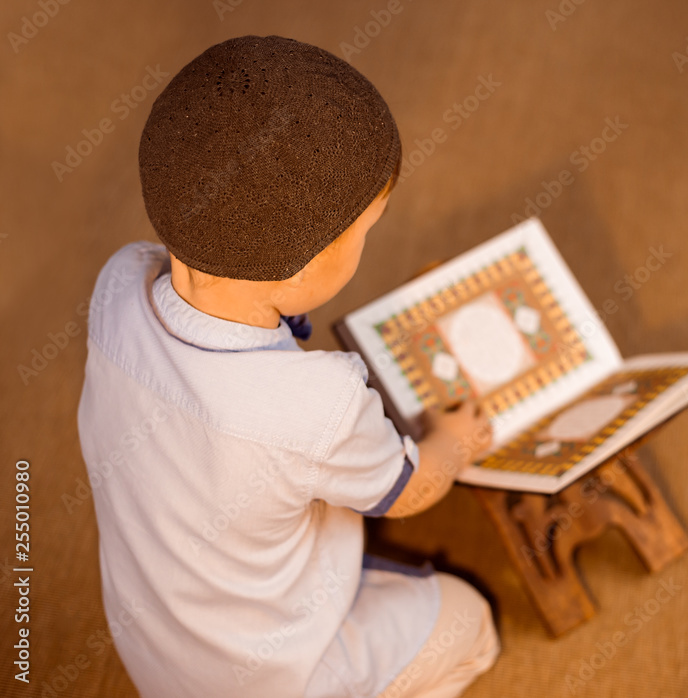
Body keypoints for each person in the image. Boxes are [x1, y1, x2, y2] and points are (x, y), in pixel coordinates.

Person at [76, 34, 499, 697]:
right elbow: (410, 490)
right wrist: (454, 443)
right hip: (272, 679)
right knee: (470, 623)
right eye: (366, 233)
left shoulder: (117, 284)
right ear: (305, 265)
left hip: (153, 645)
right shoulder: (320, 401)